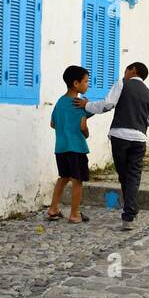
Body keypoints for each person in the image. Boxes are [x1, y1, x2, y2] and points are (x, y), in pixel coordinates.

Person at [76, 62, 149, 231]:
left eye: (126, 69)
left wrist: (87, 105)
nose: (124, 73)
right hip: (139, 138)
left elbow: (107, 105)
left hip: (120, 136)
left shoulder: (122, 83)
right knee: (133, 176)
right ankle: (130, 213)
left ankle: (130, 211)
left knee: (124, 175)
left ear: (132, 70)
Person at [48, 65, 92, 223]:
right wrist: (87, 105)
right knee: (77, 181)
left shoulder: (60, 102)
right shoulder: (79, 104)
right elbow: (84, 126)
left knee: (63, 177)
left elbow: (52, 123)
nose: (88, 84)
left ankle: (53, 208)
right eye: (86, 81)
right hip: (77, 147)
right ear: (76, 83)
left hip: (60, 147)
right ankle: (75, 213)